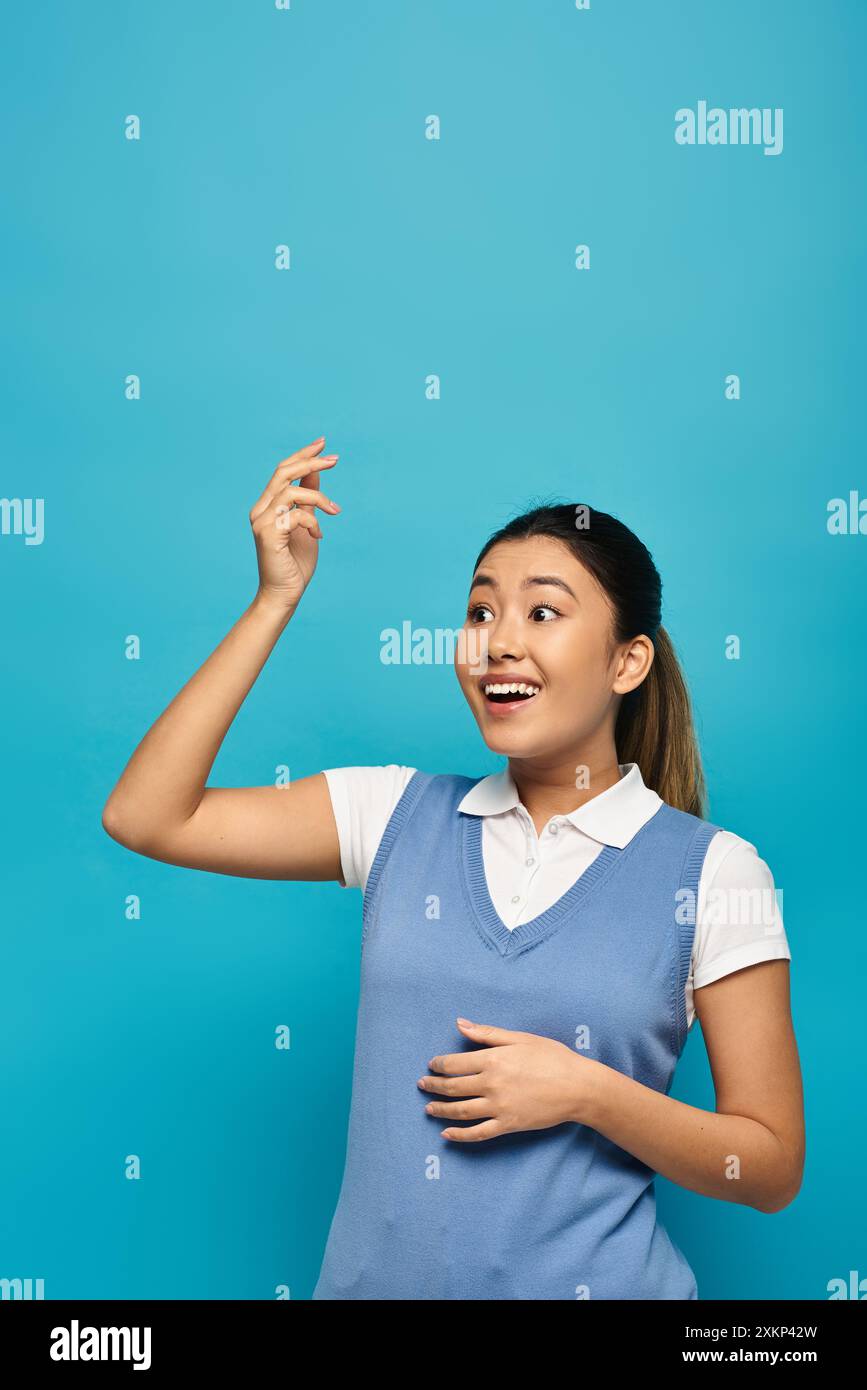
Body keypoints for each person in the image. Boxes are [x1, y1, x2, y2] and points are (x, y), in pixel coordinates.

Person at [102, 436, 804, 1300]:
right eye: (479, 613)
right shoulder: (391, 814)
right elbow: (145, 815)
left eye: (542, 613)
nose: (497, 642)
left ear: (628, 661)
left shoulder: (716, 873)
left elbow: (767, 1167)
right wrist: (274, 601)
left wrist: (588, 1093)